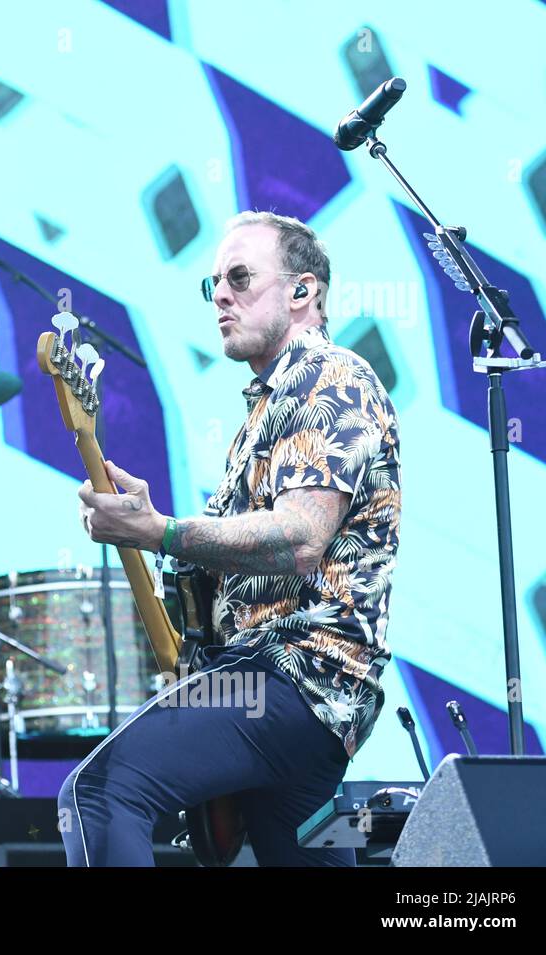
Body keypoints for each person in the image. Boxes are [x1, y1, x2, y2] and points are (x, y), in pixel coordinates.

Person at [62, 211, 401, 866]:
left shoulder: (329, 379)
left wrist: (158, 530)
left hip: (294, 676)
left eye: (240, 277)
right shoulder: (266, 410)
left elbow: (301, 538)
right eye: (212, 282)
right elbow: (223, 565)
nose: (220, 294)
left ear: (303, 292)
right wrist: (149, 516)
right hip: (280, 686)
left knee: (101, 794)